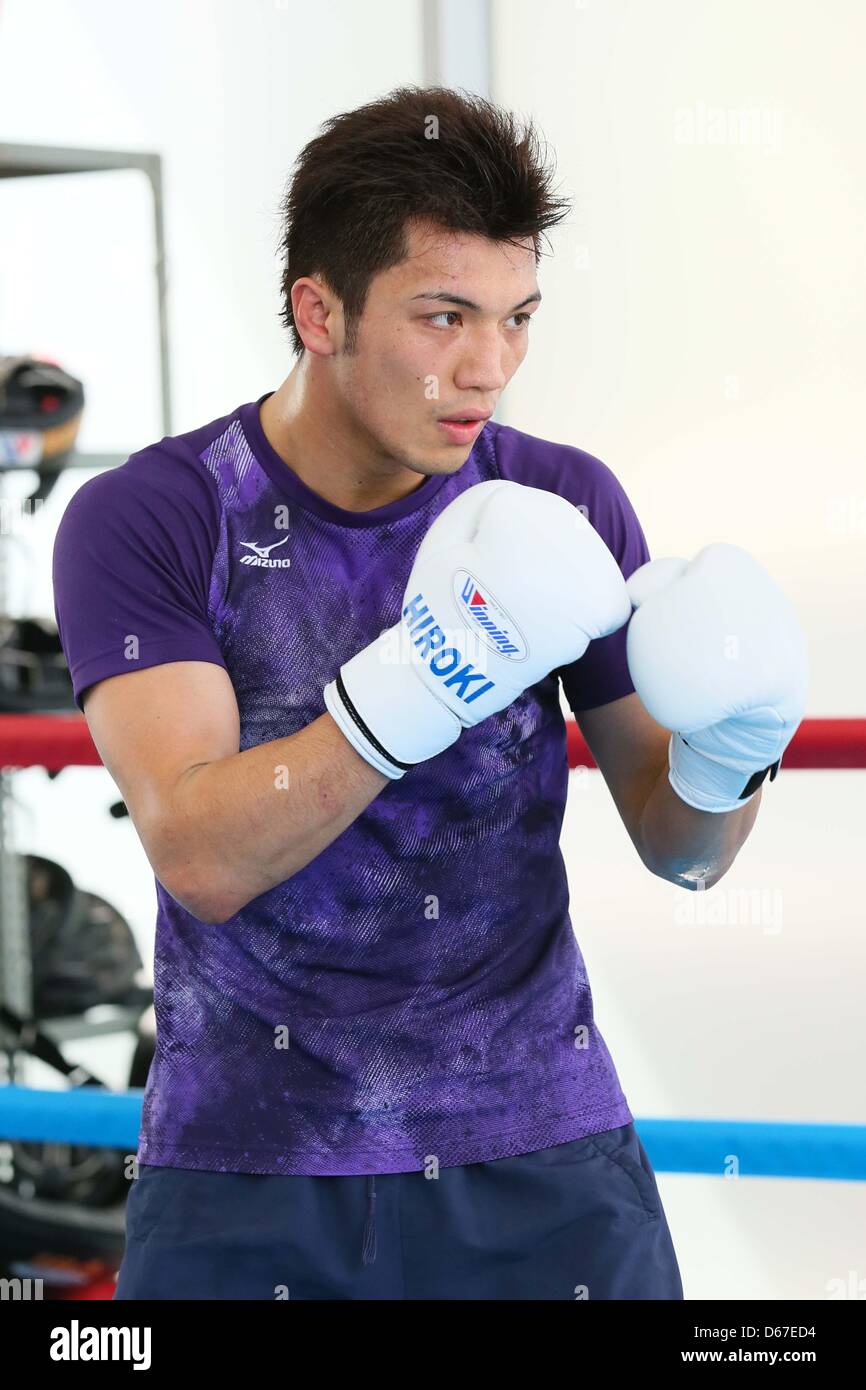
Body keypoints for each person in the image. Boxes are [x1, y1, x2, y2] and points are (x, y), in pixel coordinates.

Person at [52, 86, 805, 1301]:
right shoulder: (159, 514)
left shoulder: (562, 503)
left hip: (539, 1150)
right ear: (318, 311)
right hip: (249, 1161)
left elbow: (683, 851)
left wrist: (736, 748)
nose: (487, 368)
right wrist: (419, 677)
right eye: (444, 316)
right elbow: (200, 852)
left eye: (514, 319)